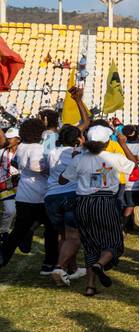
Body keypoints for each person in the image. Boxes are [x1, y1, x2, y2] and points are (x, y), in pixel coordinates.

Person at [60, 124, 138, 296]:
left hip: (83, 203)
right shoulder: (113, 157)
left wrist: (75, 161)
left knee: (90, 245)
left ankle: (90, 286)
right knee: (114, 241)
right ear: (107, 141)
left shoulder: (79, 158)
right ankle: (100, 264)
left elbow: (62, 180)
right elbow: (134, 164)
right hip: (105, 202)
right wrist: (124, 145)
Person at [0, 111, 73, 273]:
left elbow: (16, 162)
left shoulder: (22, 146)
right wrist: (49, 168)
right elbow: (36, 166)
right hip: (40, 193)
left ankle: (3, 256)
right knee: (51, 232)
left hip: (24, 194)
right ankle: (49, 263)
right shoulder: (38, 148)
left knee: (18, 230)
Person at [46, 123, 89, 285]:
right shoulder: (80, 153)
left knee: (64, 237)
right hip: (71, 195)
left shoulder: (51, 152)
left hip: (51, 197)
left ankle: (73, 269)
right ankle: (59, 268)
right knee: (74, 237)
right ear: (78, 139)